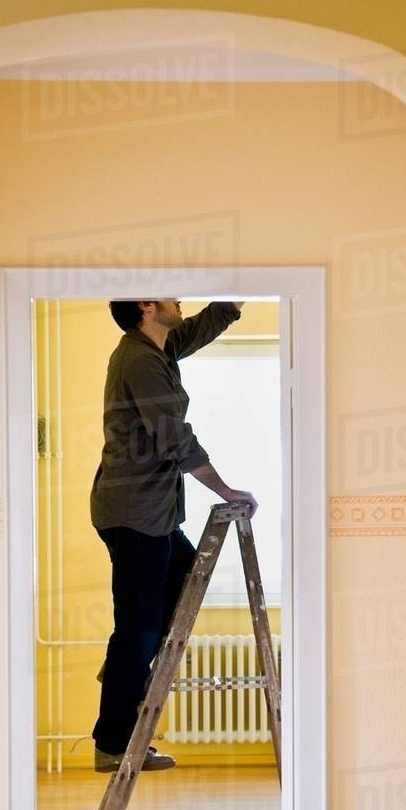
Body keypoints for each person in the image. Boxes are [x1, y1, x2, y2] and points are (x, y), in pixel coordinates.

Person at [90, 298, 258, 772]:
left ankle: (125, 662)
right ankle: (113, 745)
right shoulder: (141, 361)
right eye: (168, 294)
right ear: (147, 306)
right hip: (134, 514)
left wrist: (233, 297)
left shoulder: (156, 348)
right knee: (139, 627)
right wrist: (225, 488)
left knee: (184, 577)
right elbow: (173, 438)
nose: (178, 299)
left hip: (153, 515)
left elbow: (194, 330)